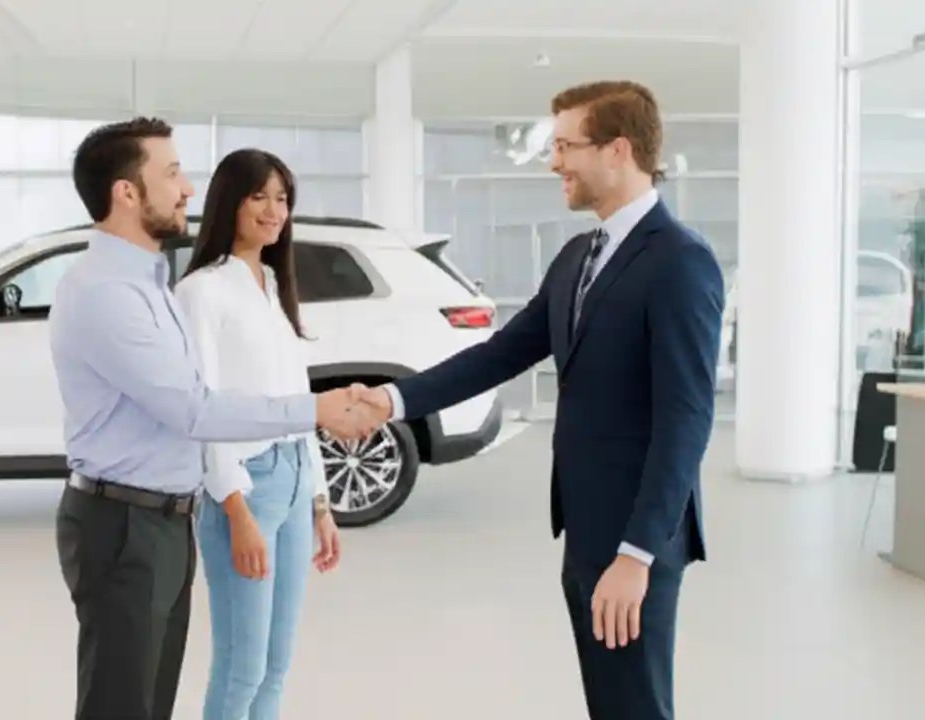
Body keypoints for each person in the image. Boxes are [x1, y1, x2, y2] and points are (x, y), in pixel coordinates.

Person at [357, 81, 724, 720]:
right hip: (585, 530)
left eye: (564, 146)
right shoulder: (580, 254)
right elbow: (500, 354)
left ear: (617, 149)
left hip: (635, 540)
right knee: (609, 703)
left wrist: (636, 555)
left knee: (636, 706)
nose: (554, 162)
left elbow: (686, 419)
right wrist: (391, 400)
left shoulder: (680, 262)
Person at [48, 118, 375, 720]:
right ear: (127, 192)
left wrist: (318, 496)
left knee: (155, 700)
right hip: (126, 520)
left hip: (164, 516)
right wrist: (315, 412)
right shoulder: (109, 293)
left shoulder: (150, 283)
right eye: (171, 174)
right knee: (131, 702)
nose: (187, 190)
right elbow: (195, 407)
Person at [173, 148, 341, 720]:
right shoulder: (201, 290)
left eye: (283, 198)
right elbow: (205, 409)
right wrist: (236, 509)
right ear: (230, 202)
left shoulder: (269, 281)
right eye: (259, 196)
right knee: (241, 666)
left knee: (275, 666)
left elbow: (296, 399)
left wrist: (319, 501)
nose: (275, 210)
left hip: (294, 479)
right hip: (245, 486)